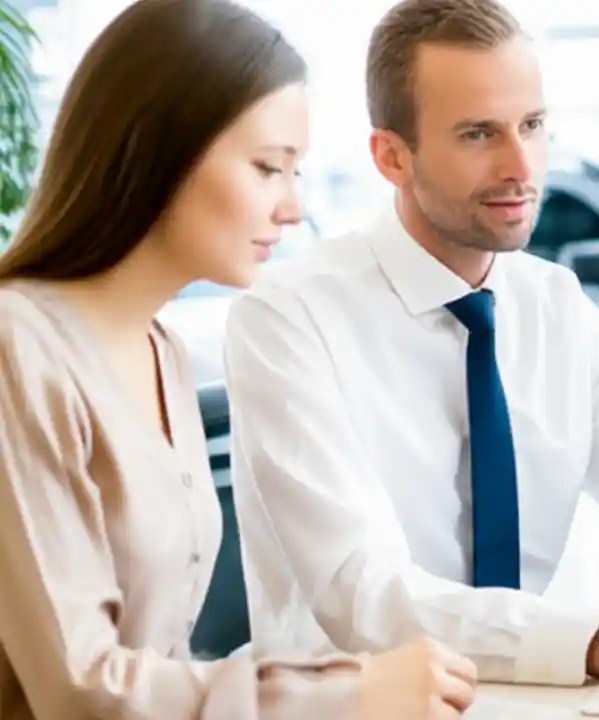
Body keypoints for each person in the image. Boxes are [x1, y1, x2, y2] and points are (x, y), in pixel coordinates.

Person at [222, 0, 599, 688]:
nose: (520, 165)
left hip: (555, 703)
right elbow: (362, 593)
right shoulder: (287, 318)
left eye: (532, 126)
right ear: (391, 156)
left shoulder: (557, 304)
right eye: (478, 135)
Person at [0, 1, 478, 718]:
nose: (292, 208)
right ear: (155, 149)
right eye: (268, 168)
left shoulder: (163, 351)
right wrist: (345, 693)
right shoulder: (18, 348)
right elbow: (79, 689)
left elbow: (157, 661)